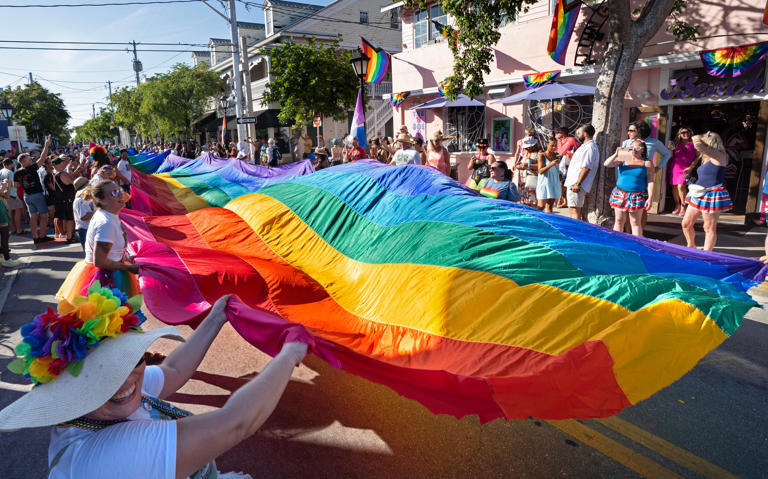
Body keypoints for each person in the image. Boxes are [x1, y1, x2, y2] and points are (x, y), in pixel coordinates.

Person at [0, 291, 310, 479]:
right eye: (102, 379)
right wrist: (290, 354)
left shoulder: (103, 404)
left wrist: (216, 318)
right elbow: (234, 424)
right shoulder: (108, 453)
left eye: (130, 360)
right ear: (70, 395)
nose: (125, 380)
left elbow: (172, 369)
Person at [56, 180, 138, 303]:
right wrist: (129, 268)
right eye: (114, 193)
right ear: (102, 200)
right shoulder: (106, 223)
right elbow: (100, 261)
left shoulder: (109, 215)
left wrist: (125, 256)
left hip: (112, 271)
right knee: (110, 318)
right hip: (107, 277)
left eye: (119, 190)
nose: (121, 195)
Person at [681, 132, 731, 251]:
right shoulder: (707, 158)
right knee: (686, 224)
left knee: (708, 227)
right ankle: (691, 246)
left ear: (710, 142)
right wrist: (692, 179)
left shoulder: (720, 155)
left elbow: (698, 144)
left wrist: (696, 137)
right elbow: (707, 176)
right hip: (698, 193)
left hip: (712, 194)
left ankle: (707, 254)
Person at [604, 140, 655, 236]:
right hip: (620, 193)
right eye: (631, 148)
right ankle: (616, 243)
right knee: (619, 220)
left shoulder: (647, 163)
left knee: (635, 222)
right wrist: (616, 154)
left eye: (637, 148)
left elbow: (651, 181)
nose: (634, 150)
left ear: (642, 150)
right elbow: (606, 164)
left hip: (636, 195)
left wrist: (650, 197)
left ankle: (636, 245)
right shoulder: (623, 159)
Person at [15, 138, 53, 244]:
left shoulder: (17, 173)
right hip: (36, 195)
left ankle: (36, 237)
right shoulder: (31, 168)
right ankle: (42, 236)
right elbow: (42, 158)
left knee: (33, 216)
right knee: (44, 215)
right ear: (23, 161)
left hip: (27, 196)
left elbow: (16, 185)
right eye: (29, 159)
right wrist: (46, 145)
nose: (31, 160)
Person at [564, 124, 600, 221]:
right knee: (573, 209)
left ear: (585, 134)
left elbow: (586, 167)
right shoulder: (585, 146)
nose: (577, 135)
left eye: (578, 133)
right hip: (574, 182)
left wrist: (577, 183)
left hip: (576, 184)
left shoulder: (590, 147)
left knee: (574, 211)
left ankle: (574, 233)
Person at [667, 127, 697, 215]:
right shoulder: (676, 143)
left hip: (687, 168)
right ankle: (677, 205)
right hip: (675, 167)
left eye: (687, 132)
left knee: (681, 186)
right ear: (679, 135)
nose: (685, 133)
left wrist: (692, 167)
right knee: (675, 187)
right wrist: (669, 150)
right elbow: (671, 157)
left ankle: (684, 206)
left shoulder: (694, 143)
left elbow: (697, 157)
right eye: (683, 132)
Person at [52, 157, 80, 243]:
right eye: (63, 163)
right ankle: (70, 237)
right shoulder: (62, 174)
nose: (64, 164)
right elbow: (74, 182)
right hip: (68, 199)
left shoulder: (55, 174)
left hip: (63, 199)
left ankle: (69, 236)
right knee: (70, 219)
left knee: (67, 218)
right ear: (59, 164)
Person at [555, 127, 580, 207]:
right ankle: (562, 200)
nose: (555, 134)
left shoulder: (571, 139)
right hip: (559, 161)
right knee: (560, 183)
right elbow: (557, 151)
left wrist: (572, 156)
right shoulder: (558, 141)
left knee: (565, 182)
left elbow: (579, 149)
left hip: (569, 163)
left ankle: (566, 201)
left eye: (557, 132)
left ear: (562, 133)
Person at [536, 138, 562, 213]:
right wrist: (551, 164)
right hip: (544, 183)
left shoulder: (556, 156)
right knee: (540, 207)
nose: (554, 147)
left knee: (550, 207)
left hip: (553, 183)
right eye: (552, 145)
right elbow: (540, 171)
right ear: (547, 144)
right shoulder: (542, 156)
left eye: (555, 146)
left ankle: (549, 223)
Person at [1, 158, 24, 235]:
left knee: (9, 212)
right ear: (10, 164)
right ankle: (19, 229)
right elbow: (14, 184)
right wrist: (20, 183)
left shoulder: (0, 171)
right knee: (18, 210)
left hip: (3, 194)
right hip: (12, 194)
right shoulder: (10, 172)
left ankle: (13, 229)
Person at [0, 178, 20, 268]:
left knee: (5, 237)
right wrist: (4, 184)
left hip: (2, 213)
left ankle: (3, 258)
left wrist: (8, 185)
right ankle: (7, 259)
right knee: (4, 237)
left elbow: (7, 196)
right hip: (1, 215)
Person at [516, 137, 539, 207]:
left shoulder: (538, 154)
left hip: (531, 179)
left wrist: (528, 165)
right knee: (524, 200)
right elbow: (519, 163)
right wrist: (518, 166)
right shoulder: (524, 154)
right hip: (523, 180)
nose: (526, 149)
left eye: (528, 147)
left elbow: (540, 165)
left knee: (533, 199)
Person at [72, 178, 93, 251]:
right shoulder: (79, 200)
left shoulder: (86, 199)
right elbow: (83, 217)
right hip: (84, 229)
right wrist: (95, 213)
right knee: (89, 252)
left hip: (88, 228)